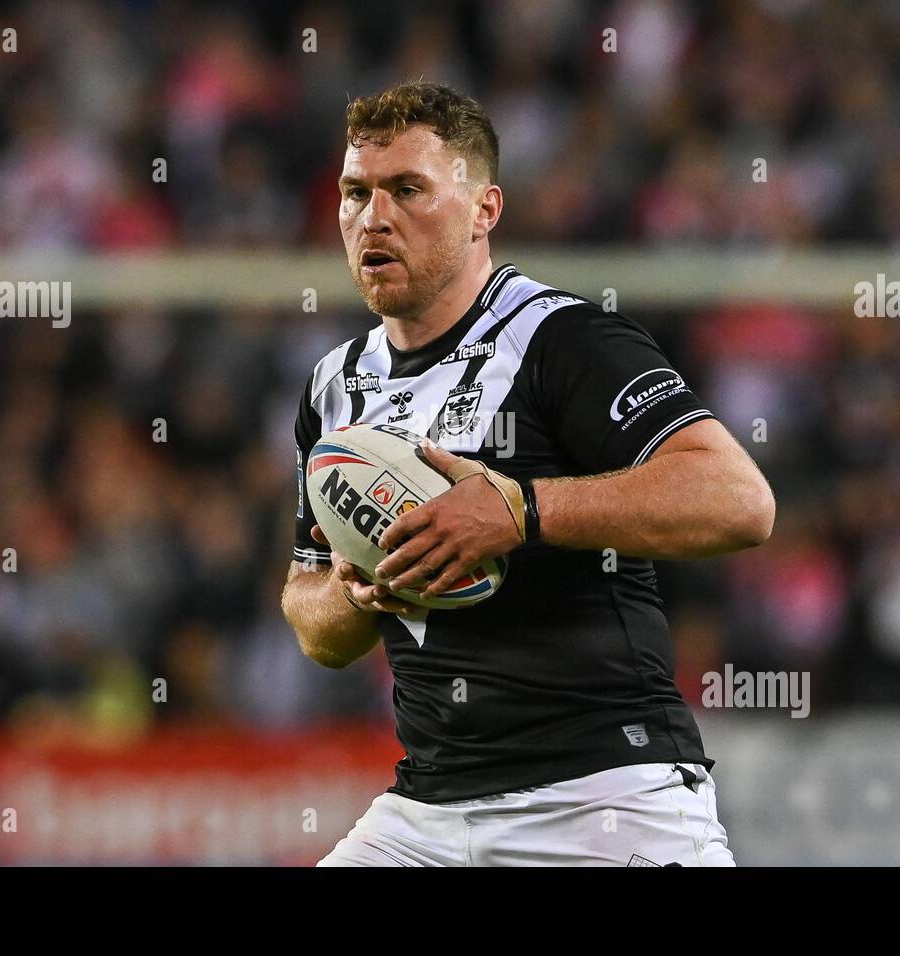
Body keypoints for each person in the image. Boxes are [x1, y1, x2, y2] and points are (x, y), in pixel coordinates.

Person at [280, 81, 775, 866]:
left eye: (409, 189)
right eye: (356, 193)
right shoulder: (333, 389)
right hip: (427, 811)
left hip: (604, 794)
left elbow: (740, 501)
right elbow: (314, 623)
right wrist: (352, 590)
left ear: (484, 210)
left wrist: (521, 510)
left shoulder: (562, 340)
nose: (374, 217)